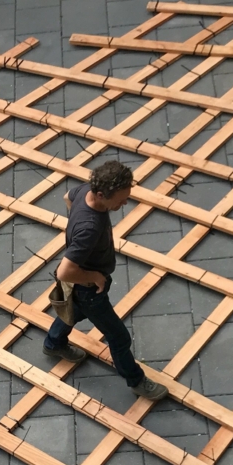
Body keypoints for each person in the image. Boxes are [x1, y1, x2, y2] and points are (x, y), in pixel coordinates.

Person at [42, 161, 168, 401]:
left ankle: (53, 344)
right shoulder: (90, 227)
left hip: (81, 289)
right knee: (119, 337)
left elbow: (66, 196)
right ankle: (137, 381)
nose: (125, 203)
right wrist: (94, 276)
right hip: (89, 288)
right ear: (101, 194)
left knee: (74, 312)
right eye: (120, 200)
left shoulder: (83, 191)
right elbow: (65, 272)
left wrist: (74, 228)